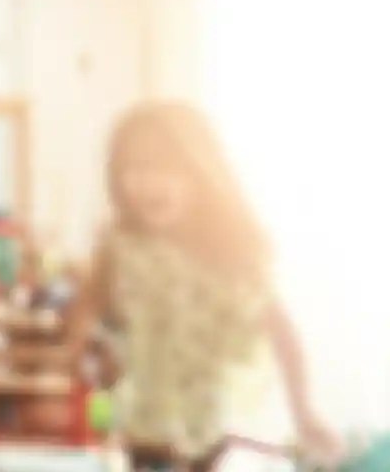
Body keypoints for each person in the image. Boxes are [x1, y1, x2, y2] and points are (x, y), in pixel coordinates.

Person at [70, 102, 343, 471]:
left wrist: (304, 411)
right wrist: (87, 354)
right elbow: (87, 314)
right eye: (134, 167)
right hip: (142, 427)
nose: (149, 181)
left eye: (166, 166)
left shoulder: (229, 257)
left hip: (208, 427)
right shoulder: (119, 249)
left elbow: (283, 332)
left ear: (200, 171)